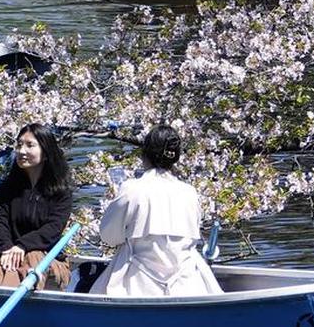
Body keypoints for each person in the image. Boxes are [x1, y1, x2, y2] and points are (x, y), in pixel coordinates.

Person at [89, 125, 222, 297]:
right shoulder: (190, 192)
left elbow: (109, 237)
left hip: (137, 284)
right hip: (188, 285)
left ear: (145, 154)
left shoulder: (132, 189)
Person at [0, 123, 75, 290]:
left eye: (30, 145)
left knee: (33, 258)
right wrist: (7, 249)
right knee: (5, 266)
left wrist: (22, 246)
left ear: (46, 152)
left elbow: (53, 229)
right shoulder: (7, 188)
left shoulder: (61, 192)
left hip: (48, 260)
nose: (21, 151)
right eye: (19, 145)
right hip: (11, 257)